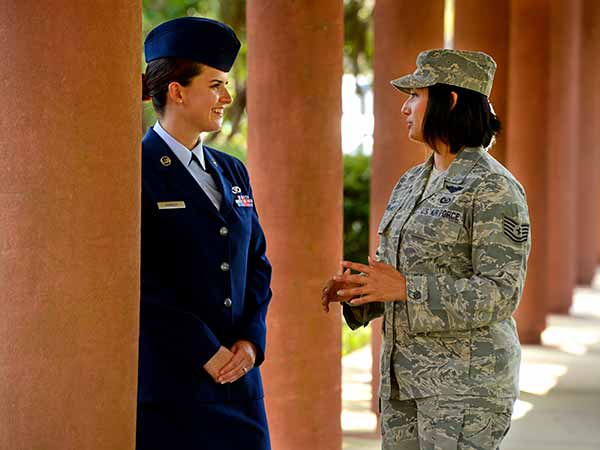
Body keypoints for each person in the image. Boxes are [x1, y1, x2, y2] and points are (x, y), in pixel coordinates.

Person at [322, 49, 530, 450]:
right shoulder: (411, 182)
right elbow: (397, 278)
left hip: (465, 391)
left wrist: (406, 289)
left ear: (449, 100)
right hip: (405, 384)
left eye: (415, 96)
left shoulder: (493, 188)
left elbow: (500, 293)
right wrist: (363, 293)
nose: (404, 107)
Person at [138, 17, 272, 450]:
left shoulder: (233, 170)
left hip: (240, 385)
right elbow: (141, 281)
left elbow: (257, 263)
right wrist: (203, 350)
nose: (228, 98)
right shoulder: (135, 170)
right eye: (215, 85)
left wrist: (251, 342)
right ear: (177, 91)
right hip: (173, 388)